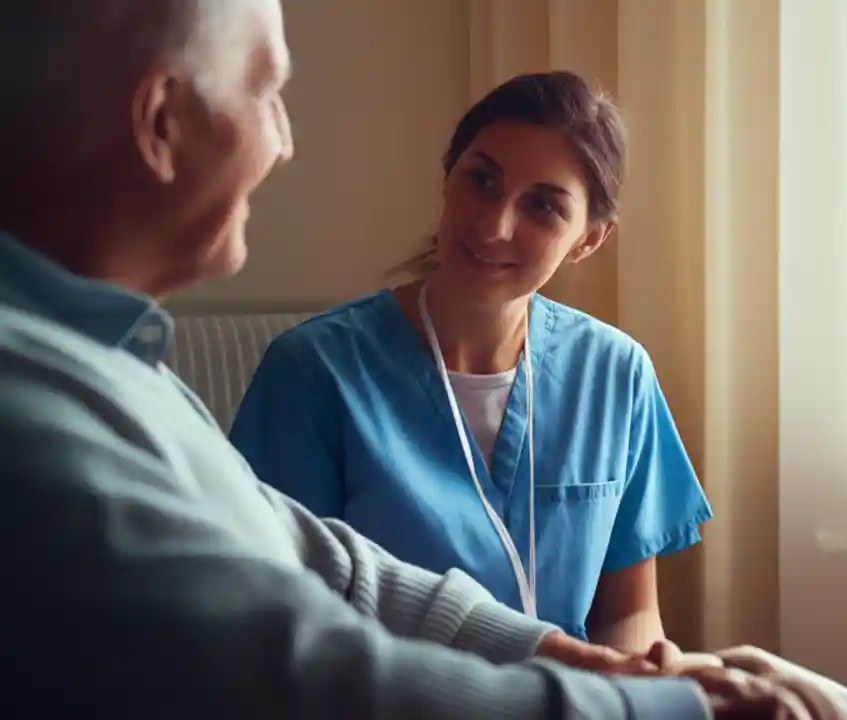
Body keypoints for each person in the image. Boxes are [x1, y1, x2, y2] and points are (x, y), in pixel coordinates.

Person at [0, 1, 798, 717]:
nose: (284, 144)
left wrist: (591, 664)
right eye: (267, 92)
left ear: (590, 238)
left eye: (544, 206)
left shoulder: (129, 372)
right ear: (161, 123)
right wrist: (660, 709)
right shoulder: (39, 416)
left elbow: (332, 561)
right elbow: (307, 669)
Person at [229, 70, 711, 650]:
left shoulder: (615, 375)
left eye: (543, 207)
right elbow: (281, 617)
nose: (494, 224)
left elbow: (628, 615)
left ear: (589, 240)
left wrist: (632, 681)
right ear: (448, 176)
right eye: (482, 180)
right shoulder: (315, 371)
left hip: (579, 692)